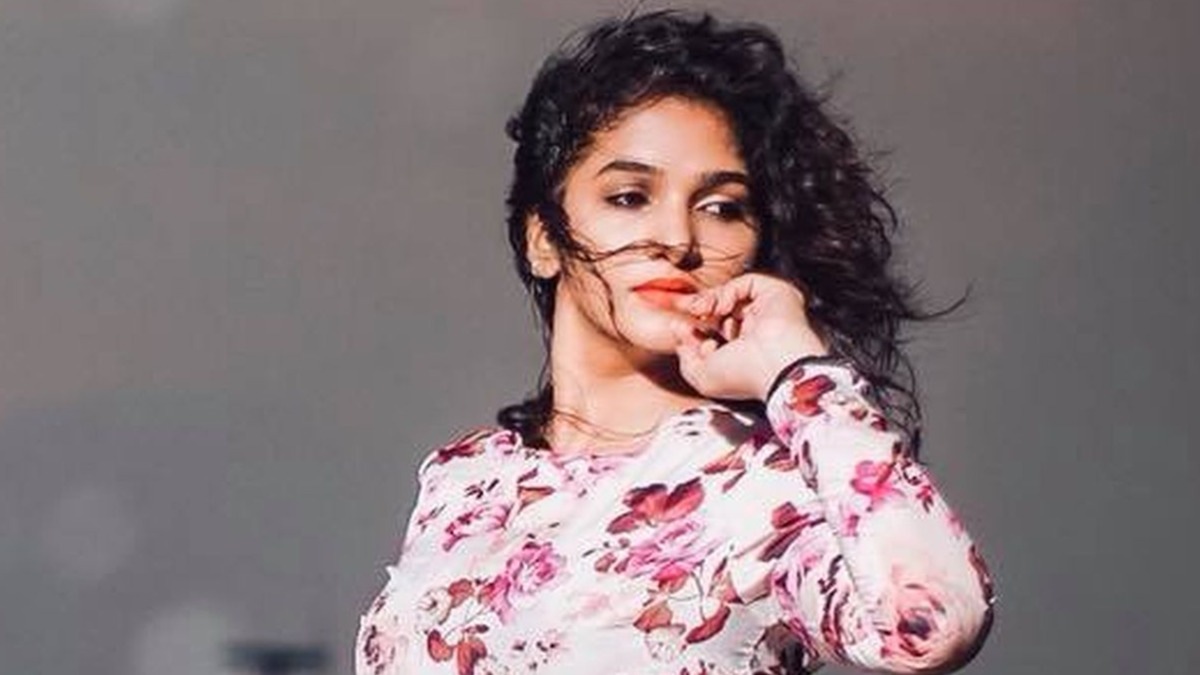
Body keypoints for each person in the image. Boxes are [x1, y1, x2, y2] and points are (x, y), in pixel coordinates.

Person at [357, 10, 995, 675]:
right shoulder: (464, 480)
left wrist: (798, 371)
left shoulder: (759, 486)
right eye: (630, 197)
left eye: (721, 208)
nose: (677, 239)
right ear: (542, 237)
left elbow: (931, 626)